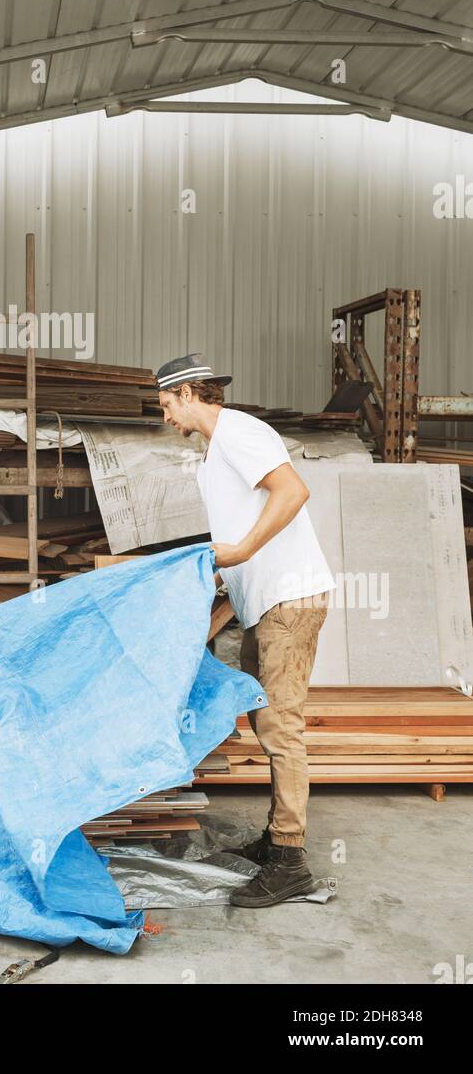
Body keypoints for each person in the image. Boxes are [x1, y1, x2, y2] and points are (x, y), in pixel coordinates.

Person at [156, 353, 334, 907]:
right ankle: (278, 838)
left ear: (188, 394)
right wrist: (223, 573)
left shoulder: (238, 431)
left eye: (165, 405)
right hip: (265, 601)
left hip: (290, 597)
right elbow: (239, 525)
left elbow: (293, 492)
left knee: (281, 726)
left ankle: (290, 860)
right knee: (265, 717)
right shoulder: (215, 451)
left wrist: (240, 551)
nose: (164, 417)